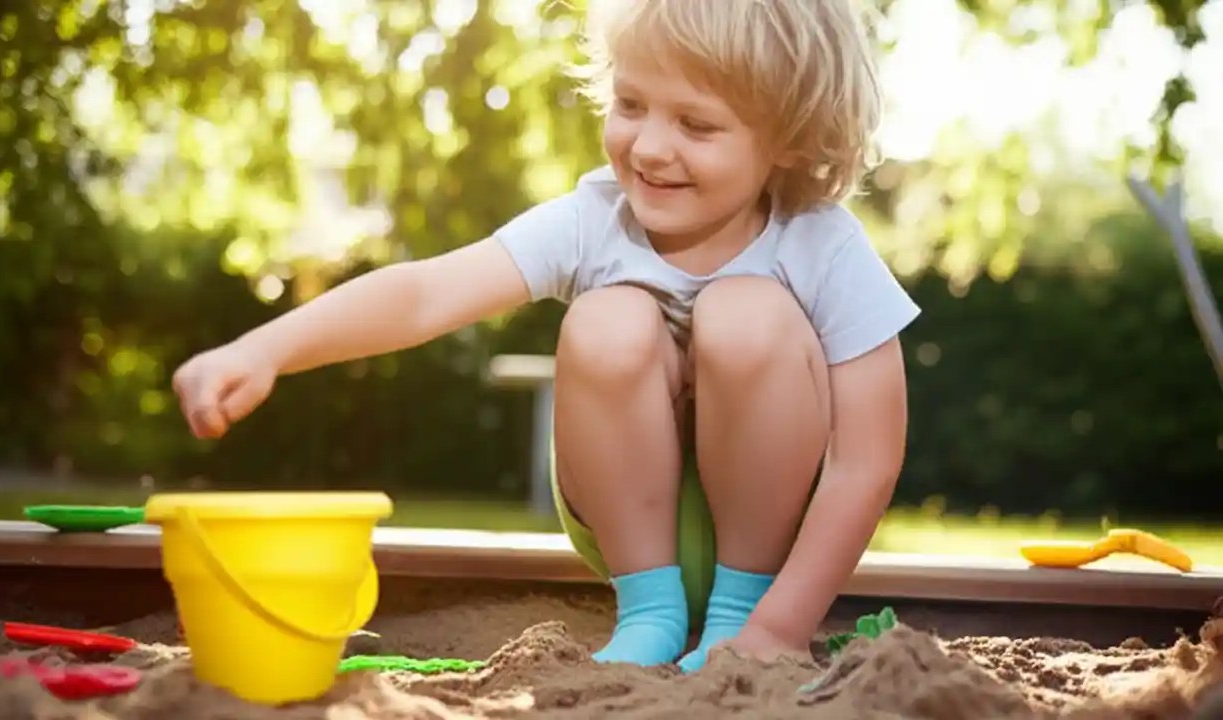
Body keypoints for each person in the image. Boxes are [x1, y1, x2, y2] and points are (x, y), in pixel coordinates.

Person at [172, 0, 919, 673]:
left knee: (747, 313)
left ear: (788, 140)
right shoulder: (594, 220)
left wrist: (781, 625)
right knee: (605, 317)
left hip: (776, 553)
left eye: (695, 124)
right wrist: (263, 349)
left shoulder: (821, 244)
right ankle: (652, 618)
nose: (651, 147)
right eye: (631, 104)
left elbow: (866, 460)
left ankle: (735, 620)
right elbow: (427, 292)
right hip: (632, 537)